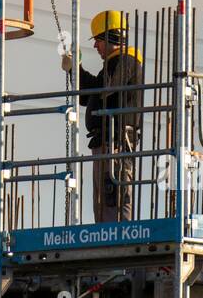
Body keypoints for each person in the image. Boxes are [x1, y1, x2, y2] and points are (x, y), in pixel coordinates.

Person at [62, 11, 144, 223]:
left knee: (113, 195)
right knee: (103, 199)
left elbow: (104, 89)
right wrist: (74, 70)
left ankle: (118, 234)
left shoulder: (125, 60)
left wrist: (76, 70)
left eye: (98, 40)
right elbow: (88, 96)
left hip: (116, 140)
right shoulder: (114, 63)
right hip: (105, 140)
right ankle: (105, 232)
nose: (96, 46)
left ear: (110, 37)